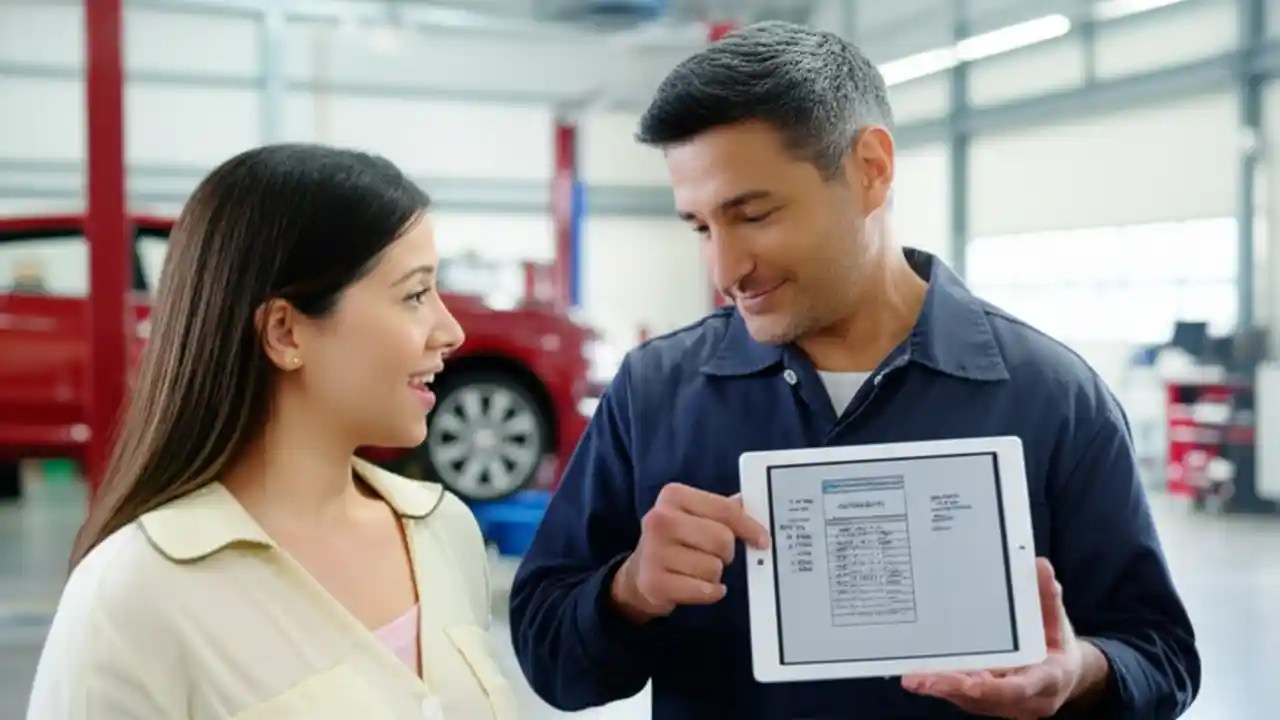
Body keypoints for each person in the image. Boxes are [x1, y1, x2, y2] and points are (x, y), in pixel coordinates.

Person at [509, 21, 1200, 720]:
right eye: (700, 227)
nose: (724, 270)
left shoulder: (1053, 399)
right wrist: (629, 592)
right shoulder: (655, 394)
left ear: (870, 168)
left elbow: (1161, 657)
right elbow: (549, 663)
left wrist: (1077, 671)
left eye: (754, 214)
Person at [27, 145, 518, 720]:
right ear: (285, 332)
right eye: (414, 295)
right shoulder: (133, 593)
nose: (451, 330)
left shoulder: (445, 534)